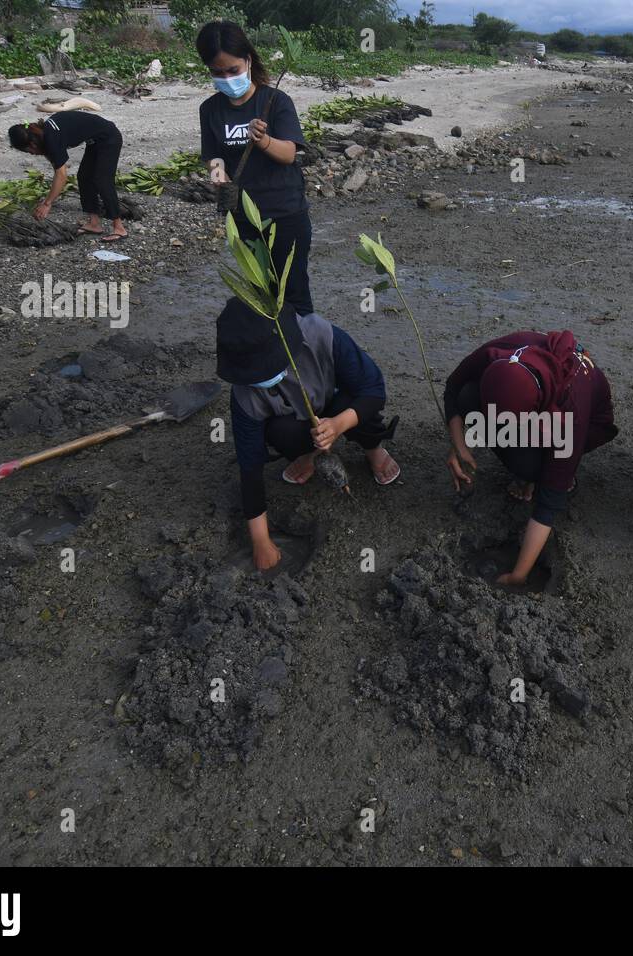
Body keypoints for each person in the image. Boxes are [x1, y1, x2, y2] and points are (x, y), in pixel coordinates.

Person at [217, 298, 400, 571]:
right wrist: (261, 541)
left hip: (338, 404)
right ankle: (307, 454)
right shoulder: (245, 394)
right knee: (281, 432)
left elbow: (373, 390)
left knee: (360, 408)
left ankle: (373, 448)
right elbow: (250, 465)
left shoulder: (321, 336)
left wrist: (338, 424)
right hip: (297, 420)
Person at [444, 330, 617, 586]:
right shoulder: (495, 354)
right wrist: (458, 444)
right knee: (468, 396)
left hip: (584, 423)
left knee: (536, 471)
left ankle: (544, 470)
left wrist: (519, 574)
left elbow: (548, 506)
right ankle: (527, 455)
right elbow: (453, 386)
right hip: (534, 411)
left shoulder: (571, 413)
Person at [197, 21, 314, 314]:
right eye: (217, 73)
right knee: (260, 291)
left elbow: (289, 153)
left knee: (293, 292)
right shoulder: (210, 109)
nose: (226, 78)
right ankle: (270, 353)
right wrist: (219, 181)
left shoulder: (274, 101)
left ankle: (303, 354)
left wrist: (262, 141)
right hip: (243, 217)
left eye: (233, 70)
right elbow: (212, 156)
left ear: (248, 61)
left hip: (285, 212)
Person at [7, 112, 126, 241]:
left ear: (32, 144)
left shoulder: (51, 139)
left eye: (28, 151)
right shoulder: (44, 133)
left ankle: (119, 227)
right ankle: (94, 223)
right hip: (95, 141)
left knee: (103, 181)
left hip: (109, 138)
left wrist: (47, 203)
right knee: (84, 177)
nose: (31, 154)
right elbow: (57, 168)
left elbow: (62, 175)